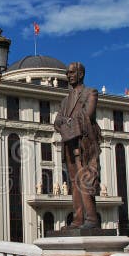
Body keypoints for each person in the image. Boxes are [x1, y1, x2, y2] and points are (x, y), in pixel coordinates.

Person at [53, 61, 102, 229]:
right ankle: (78, 219)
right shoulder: (65, 101)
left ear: (81, 74)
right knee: (74, 182)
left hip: (84, 144)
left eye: (72, 72)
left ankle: (92, 219)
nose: (69, 75)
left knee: (86, 179)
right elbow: (56, 122)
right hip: (69, 144)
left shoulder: (90, 93)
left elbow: (87, 116)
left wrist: (66, 122)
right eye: (67, 73)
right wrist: (68, 123)